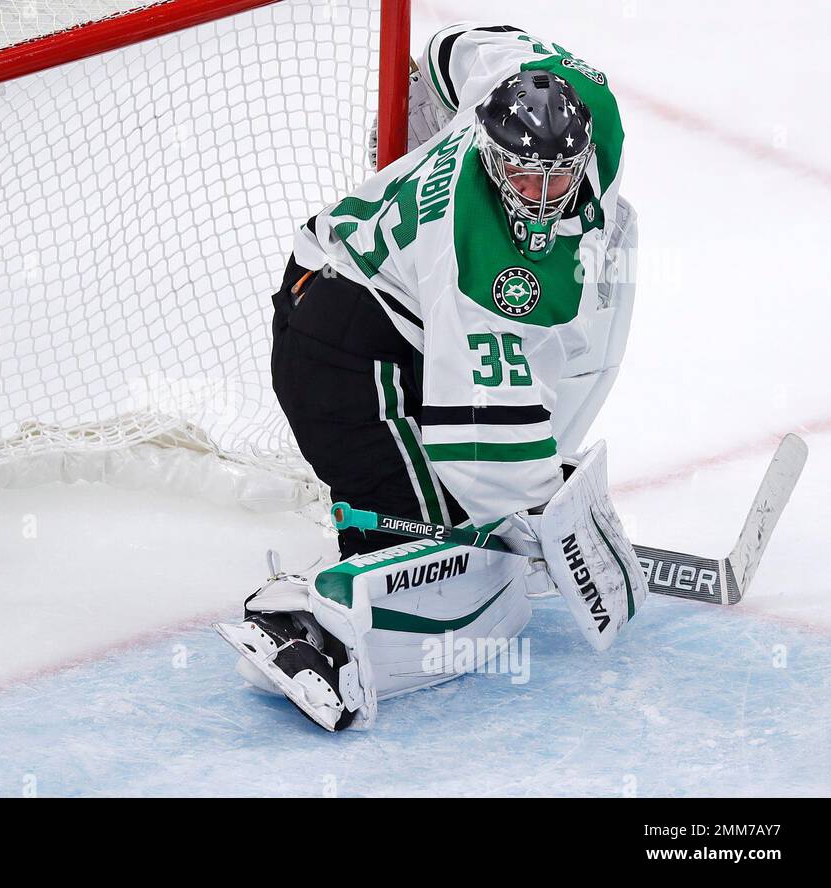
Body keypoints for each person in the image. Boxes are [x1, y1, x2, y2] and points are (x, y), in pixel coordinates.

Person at [215, 23, 648, 731]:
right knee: (447, 550)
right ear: (489, 149)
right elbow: (479, 443)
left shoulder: (577, 102)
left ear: (584, 143)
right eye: (522, 174)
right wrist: (541, 521)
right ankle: (302, 624)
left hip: (371, 298)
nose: (541, 194)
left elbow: (459, 44)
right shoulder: (483, 269)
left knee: (469, 523)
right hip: (340, 356)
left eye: (559, 174)